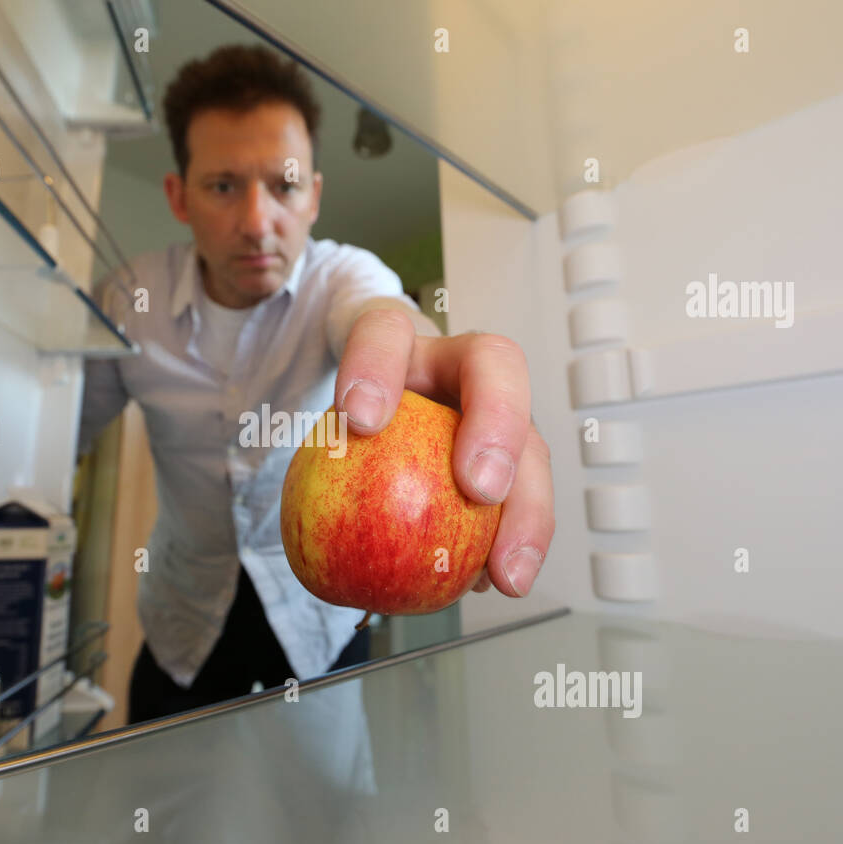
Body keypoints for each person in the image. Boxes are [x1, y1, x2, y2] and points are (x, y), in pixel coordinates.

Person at [79, 45, 556, 724]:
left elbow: (385, 319)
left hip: (317, 626)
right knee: (168, 814)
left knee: (323, 816)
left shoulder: (342, 277)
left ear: (316, 197)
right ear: (178, 197)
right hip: (181, 624)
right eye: (222, 186)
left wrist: (422, 355)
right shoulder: (130, 299)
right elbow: (60, 432)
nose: (256, 221)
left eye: (285, 185)